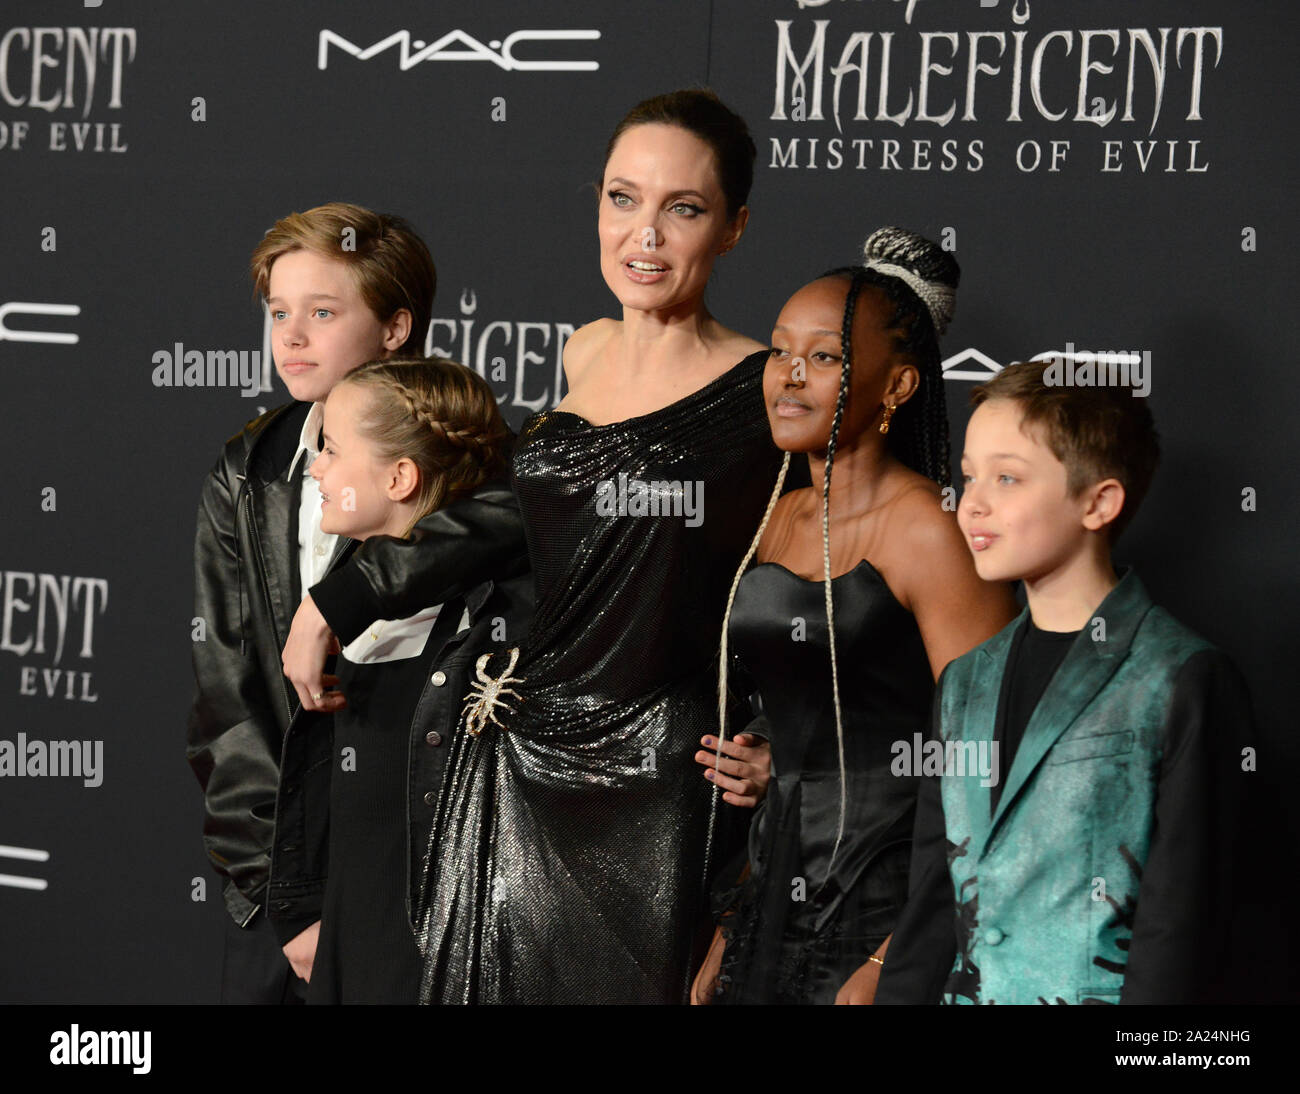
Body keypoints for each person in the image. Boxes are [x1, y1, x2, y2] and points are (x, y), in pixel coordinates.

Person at [280, 89, 781, 1004]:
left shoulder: (767, 390)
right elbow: (509, 515)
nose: (646, 238)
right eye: (623, 199)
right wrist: (341, 598)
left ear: (735, 227)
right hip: (516, 758)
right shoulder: (584, 351)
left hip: (653, 787)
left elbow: (827, 579)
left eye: (686, 208)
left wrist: (781, 740)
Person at [690, 228, 1016, 1005]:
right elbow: (809, 695)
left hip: (885, 899)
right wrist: (726, 932)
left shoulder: (929, 530)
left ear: (897, 386)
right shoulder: (778, 516)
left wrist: (895, 954)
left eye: (826, 358)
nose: (789, 377)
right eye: (778, 351)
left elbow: (984, 759)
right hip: (768, 892)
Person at [875, 360, 1255, 1004]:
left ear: (1099, 501)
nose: (974, 503)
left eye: (1008, 478)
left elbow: (1180, 930)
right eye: (969, 477)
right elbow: (935, 902)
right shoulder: (966, 681)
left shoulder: (1182, 677)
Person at [185, 202, 435, 1003]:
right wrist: (280, 895)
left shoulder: (466, 469)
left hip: (419, 888)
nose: (290, 337)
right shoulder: (247, 469)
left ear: (396, 327)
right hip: (274, 887)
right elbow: (228, 701)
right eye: (278, 312)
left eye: (322, 313)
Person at [263, 357, 531, 1003]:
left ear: (401, 475)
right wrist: (303, 908)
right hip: (347, 942)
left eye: (330, 448)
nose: (315, 467)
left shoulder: (494, 623)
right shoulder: (348, 601)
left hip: (440, 959)